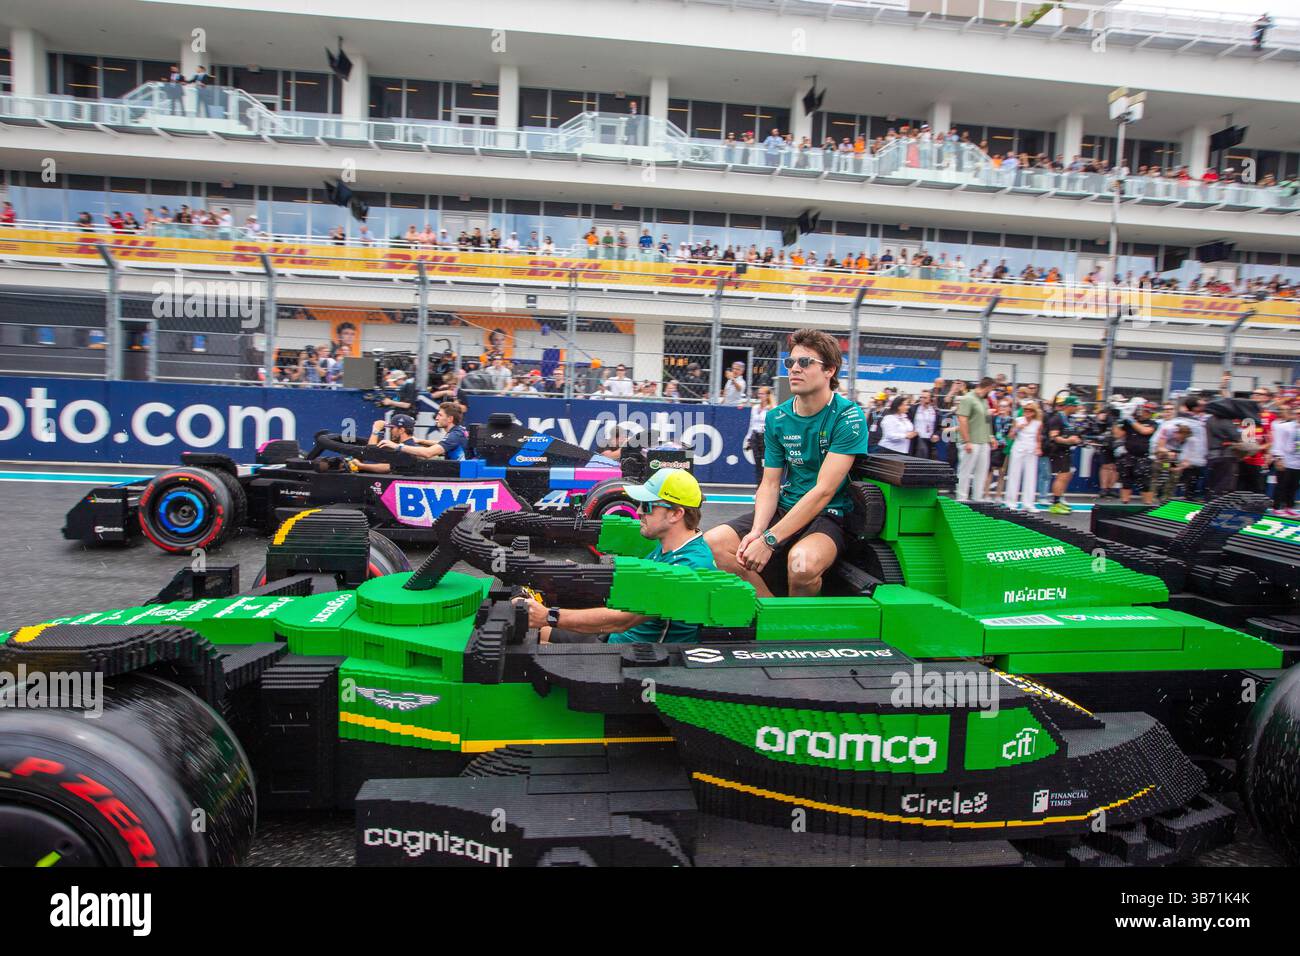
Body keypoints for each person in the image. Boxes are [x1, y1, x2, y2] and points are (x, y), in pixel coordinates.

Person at [705, 328, 869, 598]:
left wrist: (769, 541)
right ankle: (772, 615)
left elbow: (823, 491)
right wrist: (757, 532)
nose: (794, 368)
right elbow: (769, 484)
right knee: (712, 545)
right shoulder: (777, 417)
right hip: (786, 507)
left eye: (805, 362)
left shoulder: (848, 416)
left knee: (802, 565)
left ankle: (796, 629)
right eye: (790, 362)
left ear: (829, 370)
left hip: (829, 516)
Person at [525, 469, 714, 644]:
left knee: (531, 641)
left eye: (647, 506)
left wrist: (547, 615)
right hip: (618, 639)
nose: (639, 511)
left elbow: (622, 620)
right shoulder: (671, 548)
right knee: (533, 630)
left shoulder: (687, 566)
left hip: (635, 657)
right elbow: (630, 589)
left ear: (676, 514)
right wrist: (575, 577)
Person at [380, 402, 469, 461]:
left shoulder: (455, 435)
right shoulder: (459, 431)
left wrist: (397, 446)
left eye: (440, 415)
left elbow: (428, 453)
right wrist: (421, 441)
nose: (437, 418)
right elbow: (444, 443)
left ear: (450, 419)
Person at [955, 377, 996, 502]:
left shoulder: (984, 400)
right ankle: (961, 498)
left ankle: (977, 498)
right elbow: (962, 420)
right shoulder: (968, 398)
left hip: (983, 441)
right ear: (988, 387)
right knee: (965, 471)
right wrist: (967, 441)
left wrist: (991, 436)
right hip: (971, 441)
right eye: (992, 388)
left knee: (982, 472)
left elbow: (987, 418)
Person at [1042, 394, 1084, 513]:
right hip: (1057, 451)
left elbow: (1072, 434)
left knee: (1066, 475)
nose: (1077, 408)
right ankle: (1055, 504)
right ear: (1069, 406)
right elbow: (1054, 437)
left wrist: (1077, 439)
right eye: (1075, 406)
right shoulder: (1057, 418)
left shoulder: (1069, 418)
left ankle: (1059, 501)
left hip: (1066, 451)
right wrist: (1069, 441)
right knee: (1061, 477)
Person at [1112, 402, 1156, 505]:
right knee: (1126, 480)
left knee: (1145, 483)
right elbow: (1117, 435)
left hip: (1144, 456)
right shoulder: (1129, 422)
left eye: (1148, 411)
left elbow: (1145, 431)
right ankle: (1124, 502)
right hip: (1129, 455)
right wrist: (1118, 421)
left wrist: (1131, 420)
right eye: (1144, 410)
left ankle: (1148, 504)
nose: (1145, 413)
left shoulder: (1152, 423)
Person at [1003, 403, 1043, 511]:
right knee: (1014, 475)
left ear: (1034, 412)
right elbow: (1010, 436)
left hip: (1031, 450)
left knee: (1031, 477)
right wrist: (1017, 428)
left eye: (1030, 410)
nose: (1027, 412)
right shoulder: (1018, 420)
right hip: (1018, 449)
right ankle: (1010, 502)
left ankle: (1028, 504)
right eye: (1026, 410)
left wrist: (1038, 448)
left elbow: (1038, 437)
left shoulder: (1038, 423)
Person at [351, 415, 419, 474]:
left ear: (401, 430)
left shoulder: (407, 448)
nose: (390, 431)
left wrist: (360, 466)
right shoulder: (405, 444)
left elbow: (371, 452)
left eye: (392, 428)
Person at [1271, 401, 1299, 515]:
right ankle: (1277, 507)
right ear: (1294, 414)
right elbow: (1277, 443)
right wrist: (1278, 458)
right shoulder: (1284, 427)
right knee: (1282, 485)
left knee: (1294, 486)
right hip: (1285, 460)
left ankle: (1290, 506)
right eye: (1297, 413)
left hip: (1297, 462)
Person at [746, 386, 776, 484]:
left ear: (767, 395)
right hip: (755, 436)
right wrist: (748, 438)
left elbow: (774, 424)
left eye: (763, 394)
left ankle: (766, 486)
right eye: (759, 393)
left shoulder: (772, 408)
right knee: (757, 464)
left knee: (766, 464)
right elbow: (752, 424)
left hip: (765, 438)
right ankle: (759, 487)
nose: (760, 396)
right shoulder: (755, 408)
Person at [908, 388, 939, 459]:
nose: (922, 399)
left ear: (930, 399)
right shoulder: (913, 409)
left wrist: (937, 434)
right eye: (921, 397)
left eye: (925, 398)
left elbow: (939, 427)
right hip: (916, 439)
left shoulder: (935, 411)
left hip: (930, 439)